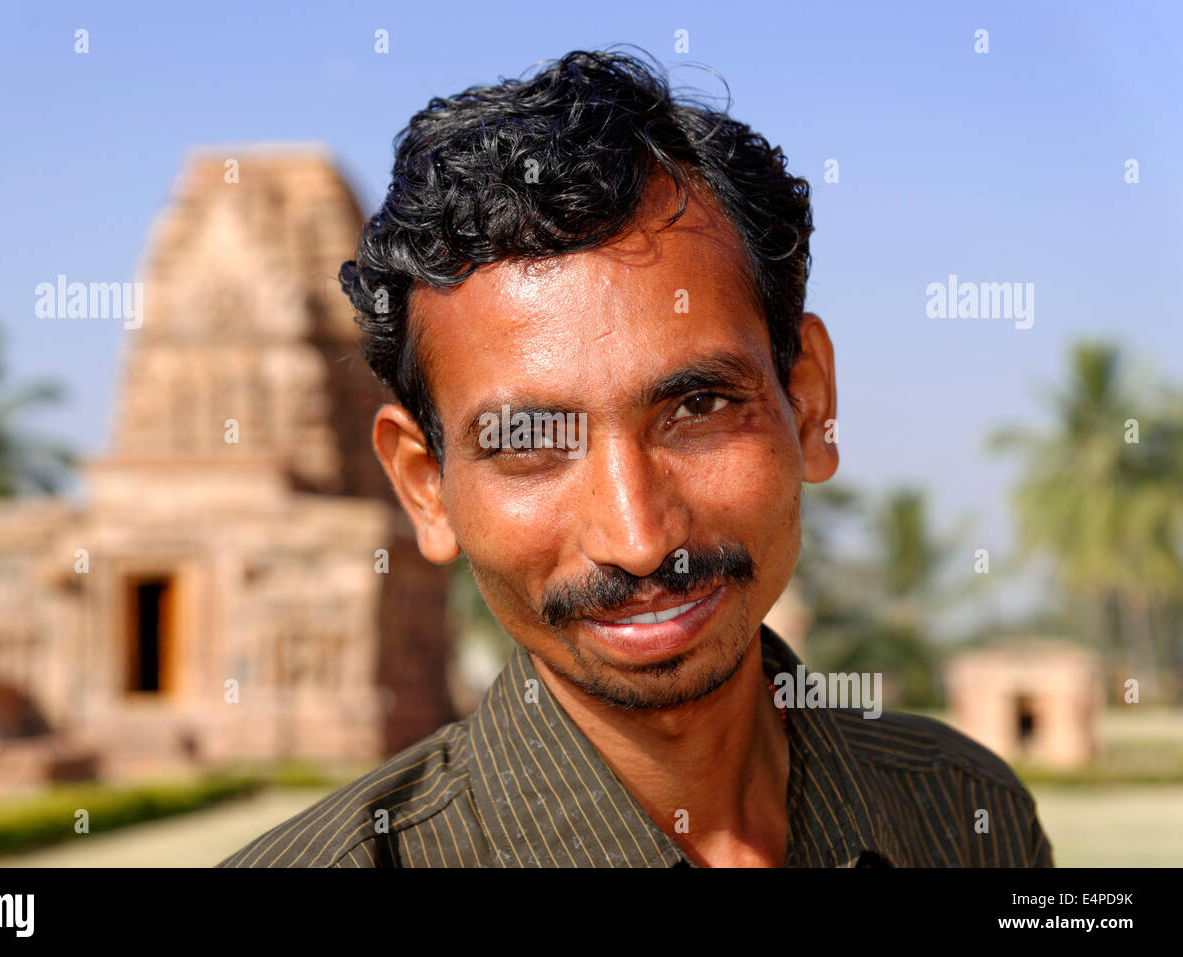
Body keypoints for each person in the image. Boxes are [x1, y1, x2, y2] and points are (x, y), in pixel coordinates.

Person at [220, 48, 1053, 868]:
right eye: (528, 442)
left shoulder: (967, 815)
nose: (639, 536)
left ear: (808, 403)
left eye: (698, 408)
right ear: (424, 486)